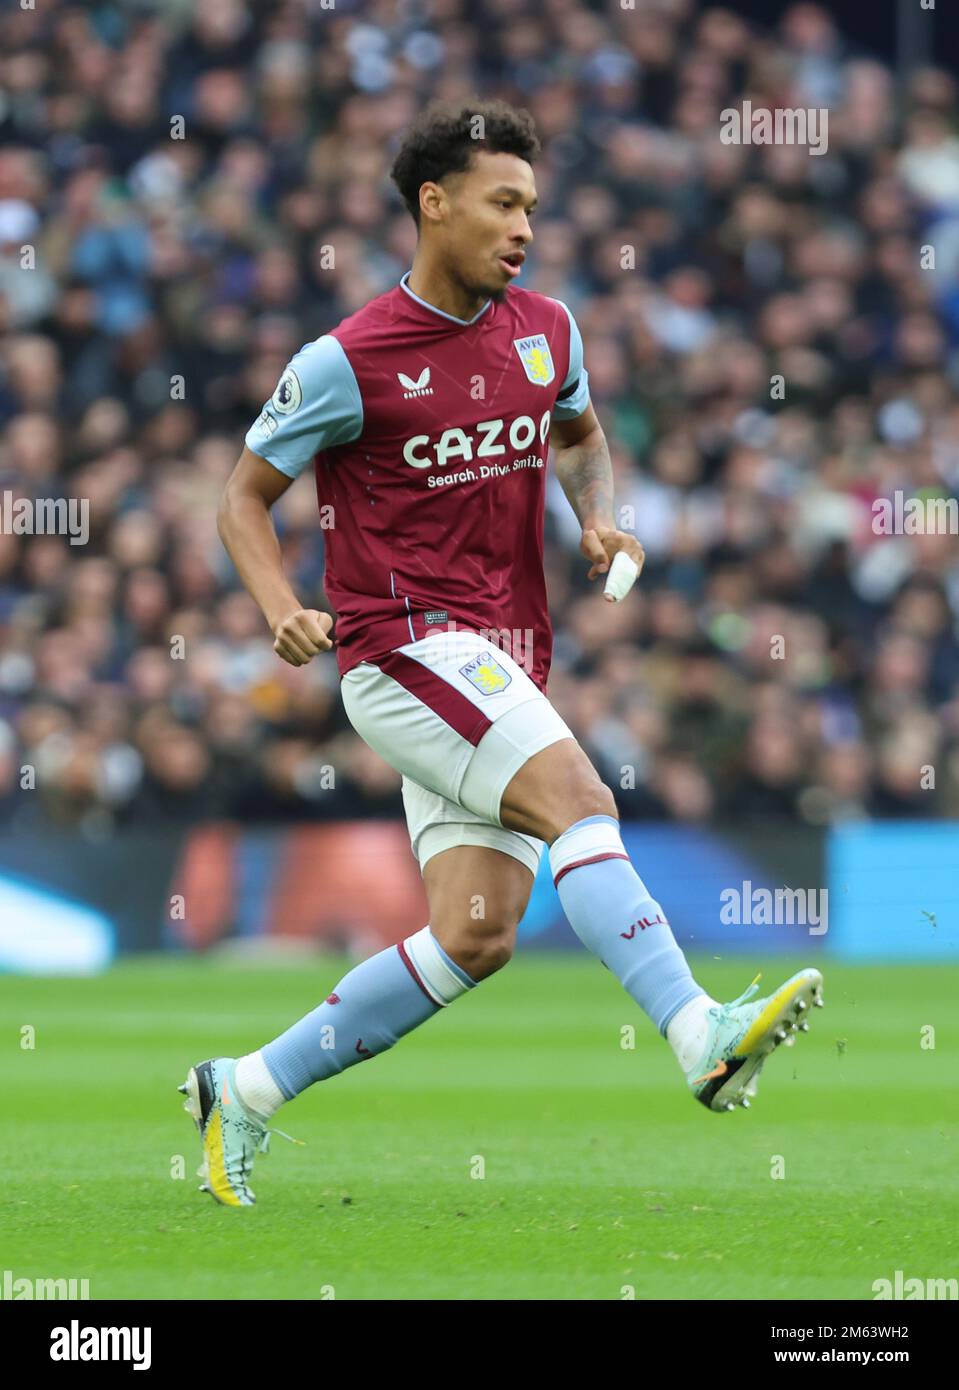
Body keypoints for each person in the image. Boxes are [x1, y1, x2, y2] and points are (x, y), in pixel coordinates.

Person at [179, 99, 823, 1207]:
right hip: (403, 646)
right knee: (580, 796)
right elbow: (242, 495)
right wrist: (281, 602)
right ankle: (695, 1031)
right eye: (503, 202)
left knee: (474, 938)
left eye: (532, 205)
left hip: (506, 656)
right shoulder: (347, 360)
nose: (524, 226)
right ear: (434, 205)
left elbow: (578, 436)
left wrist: (599, 518)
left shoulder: (548, 330)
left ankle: (242, 1086)